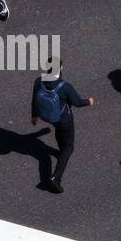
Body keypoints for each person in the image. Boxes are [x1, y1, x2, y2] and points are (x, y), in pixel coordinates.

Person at [31, 60, 95, 194]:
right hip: (64, 118)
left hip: (48, 117)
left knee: (59, 134)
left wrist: (34, 115)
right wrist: (89, 102)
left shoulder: (39, 81)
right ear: (60, 69)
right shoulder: (64, 86)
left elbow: (34, 99)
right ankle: (55, 177)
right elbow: (77, 103)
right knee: (69, 146)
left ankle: (61, 151)